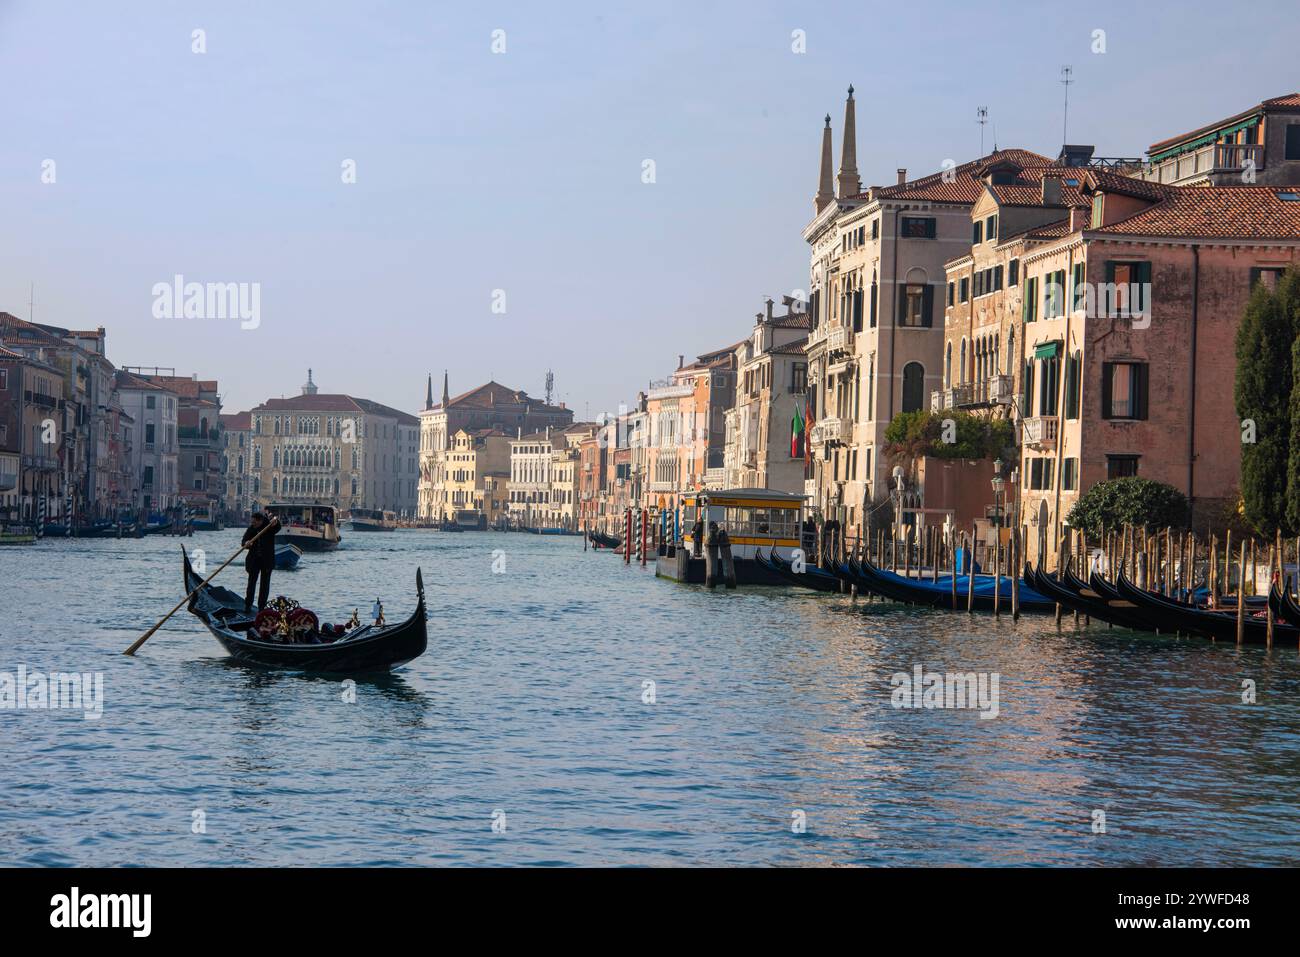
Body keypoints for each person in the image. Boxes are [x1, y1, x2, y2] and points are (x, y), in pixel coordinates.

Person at [242, 511, 282, 612]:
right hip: (254, 560)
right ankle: (248, 605)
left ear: (260, 521)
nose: (253, 524)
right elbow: (243, 542)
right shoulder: (251, 528)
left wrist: (275, 522)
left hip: (267, 561)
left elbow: (278, 527)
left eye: (255, 522)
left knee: (264, 585)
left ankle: (261, 607)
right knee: (251, 583)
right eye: (252, 522)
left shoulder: (269, 527)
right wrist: (247, 543)